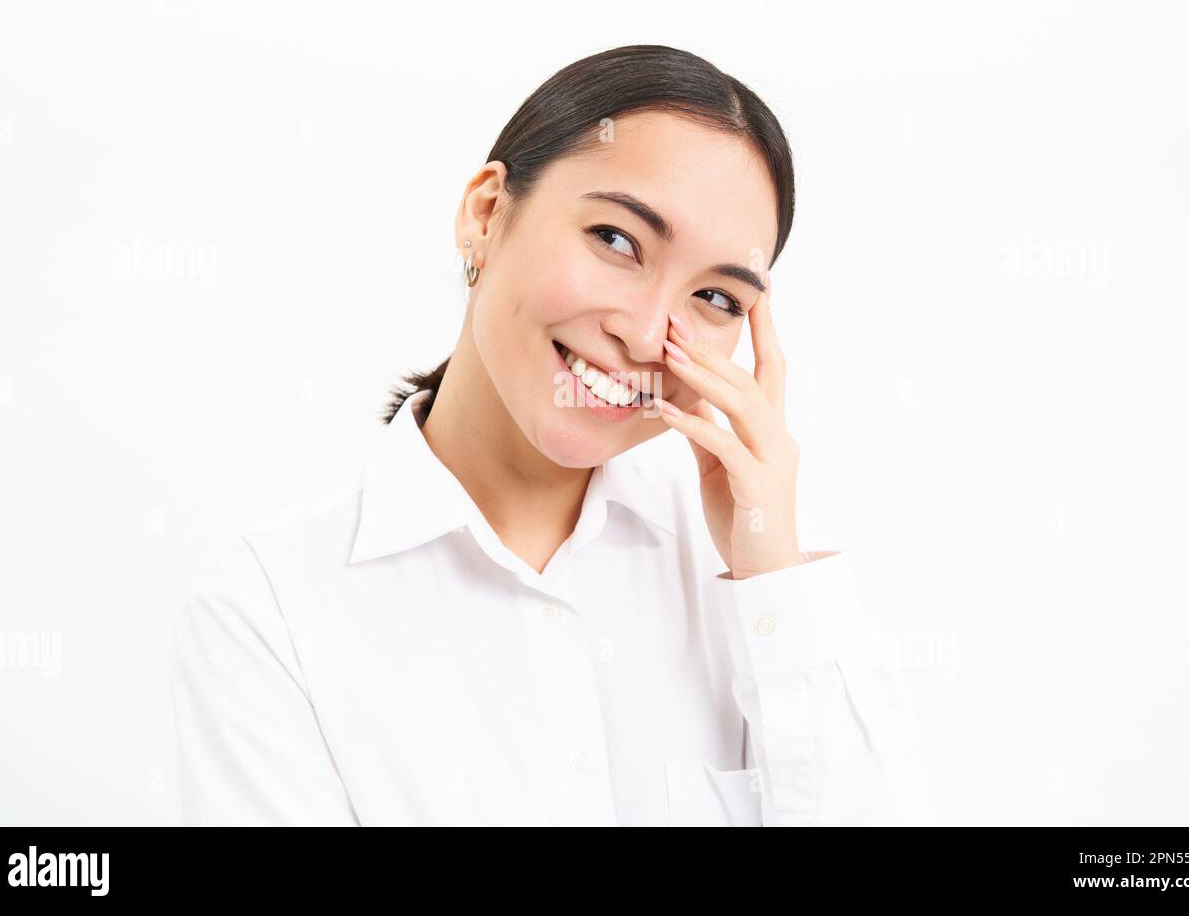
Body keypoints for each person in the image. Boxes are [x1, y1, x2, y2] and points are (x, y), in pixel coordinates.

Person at [171, 43, 934, 826]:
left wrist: (774, 577)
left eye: (714, 296)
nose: (645, 336)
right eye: (616, 240)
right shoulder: (271, 612)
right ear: (486, 214)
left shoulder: (749, 584)